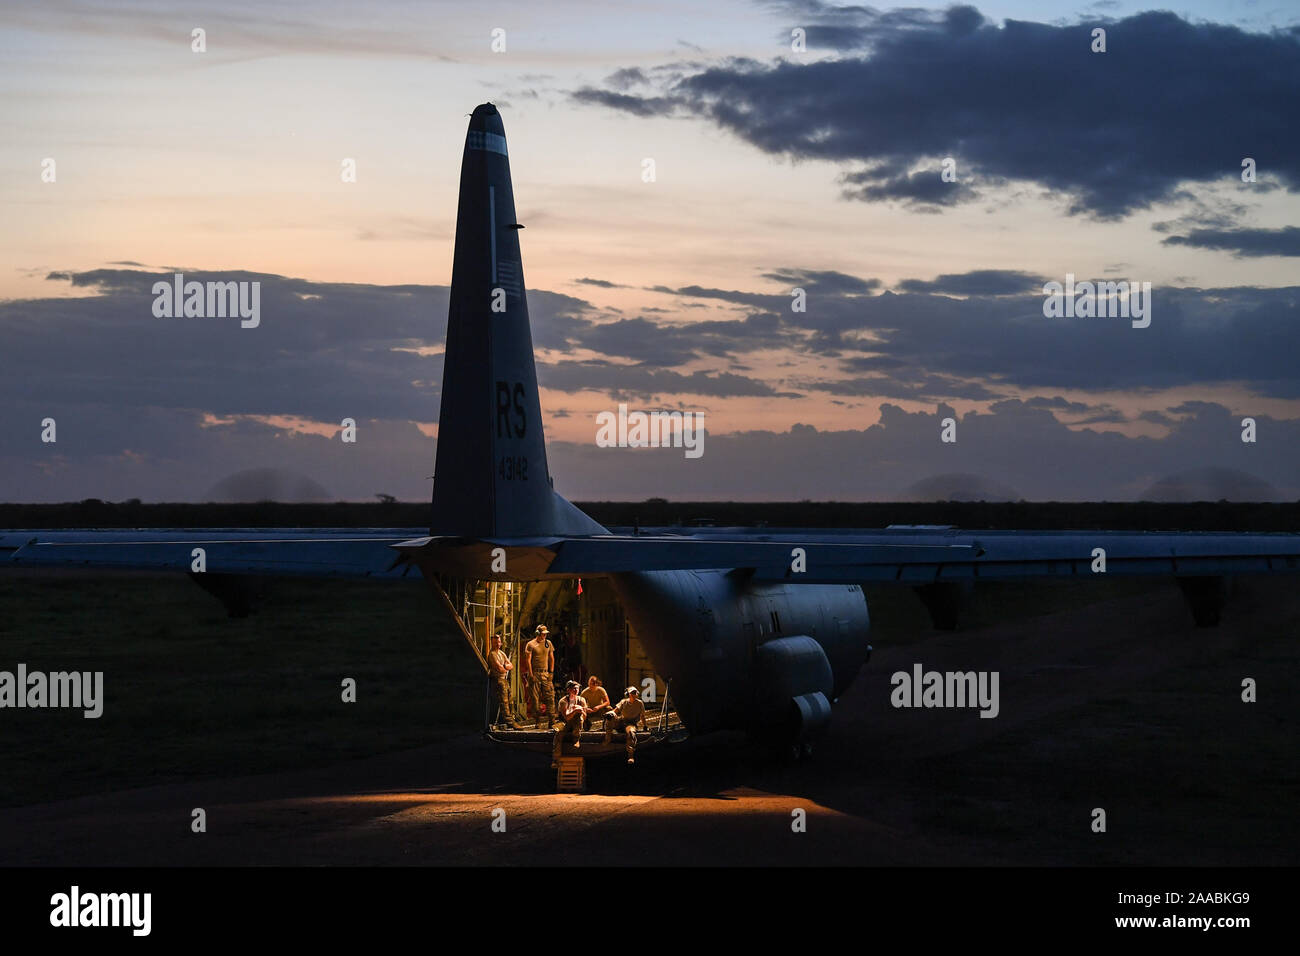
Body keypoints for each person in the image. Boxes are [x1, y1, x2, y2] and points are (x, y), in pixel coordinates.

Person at [486, 634, 523, 729]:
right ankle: (510, 722)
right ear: (492, 643)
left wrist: (505, 667)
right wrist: (505, 667)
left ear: (501, 642)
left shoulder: (501, 653)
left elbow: (511, 665)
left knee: (510, 701)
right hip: (498, 680)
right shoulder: (492, 654)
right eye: (495, 642)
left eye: (498, 642)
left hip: (504, 679)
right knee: (504, 702)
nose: (497, 644)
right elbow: (500, 669)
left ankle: (512, 719)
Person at [522, 625, 556, 726]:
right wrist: (531, 674)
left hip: (545, 673)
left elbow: (551, 658)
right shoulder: (531, 644)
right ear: (538, 633)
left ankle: (552, 721)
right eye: (543, 633)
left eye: (545, 634)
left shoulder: (548, 643)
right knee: (535, 699)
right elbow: (528, 660)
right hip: (535, 674)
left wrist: (551, 672)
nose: (544, 635)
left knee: (550, 697)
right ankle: (537, 721)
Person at [604, 686, 647, 764]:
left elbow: (642, 716)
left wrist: (645, 726)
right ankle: (608, 738)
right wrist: (611, 713)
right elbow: (615, 710)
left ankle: (630, 755)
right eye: (632, 693)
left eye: (635, 693)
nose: (634, 694)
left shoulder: (640, 703)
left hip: (630, 724)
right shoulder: (624, 702)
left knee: (631, 732)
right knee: (610, 717)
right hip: (621, 722)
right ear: (628, 694)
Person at [551, 680, 588, 768]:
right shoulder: (563, 701)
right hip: (564, 722)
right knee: (558, 735)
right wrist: (575, 710)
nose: (576, 690)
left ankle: (576, 738)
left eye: (577, 688)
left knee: (579, 718)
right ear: (568, 690)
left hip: (577, 722)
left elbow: (585, 716)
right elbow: (566, 717)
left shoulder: (581, 700)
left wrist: (581, 711)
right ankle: (555, 759)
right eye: (574, 688)